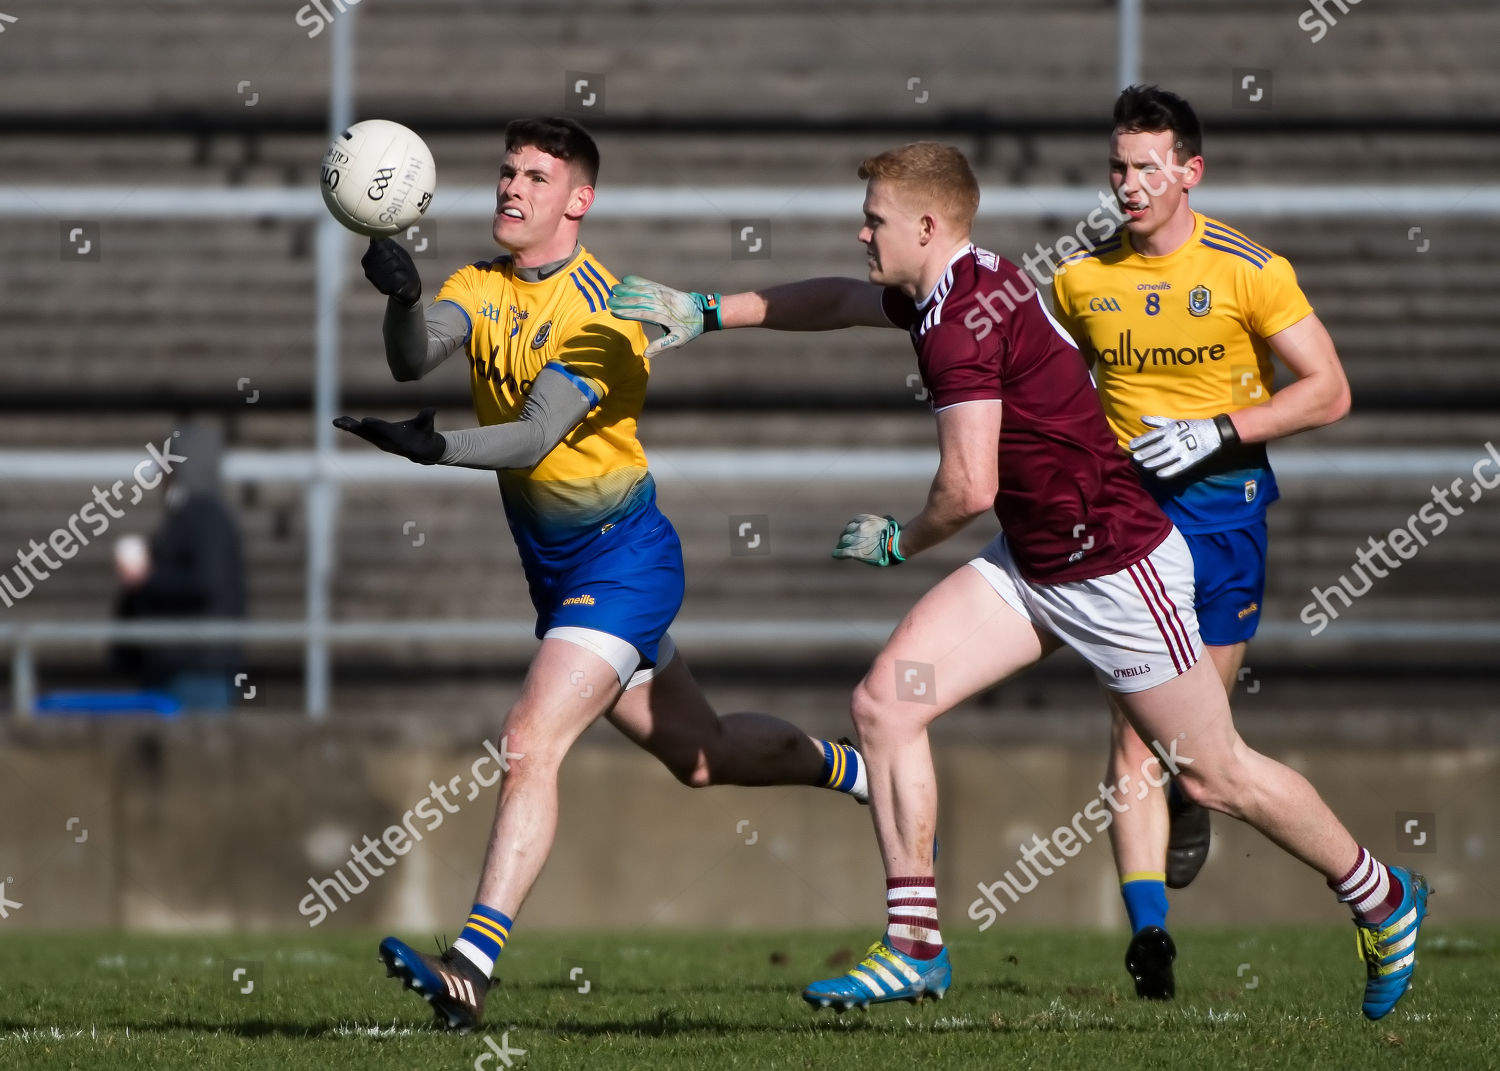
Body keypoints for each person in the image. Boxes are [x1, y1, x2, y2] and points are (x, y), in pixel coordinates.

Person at [606, 141, 1425, 1021]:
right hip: (1034, 563)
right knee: (885, 704)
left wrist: (898, 541)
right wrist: (708, 310)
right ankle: (915, 945)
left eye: (875, 219)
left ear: (928, 225)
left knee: (1215, 776)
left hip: (1116, 569)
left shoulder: (960, 321)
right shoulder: (955, 282)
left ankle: (1383, 896)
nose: (861, 232)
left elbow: (968, 487)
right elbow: (840, 300)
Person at [334, 116, 868, 1033]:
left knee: (529, 741)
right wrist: (404, 298)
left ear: (579, 200)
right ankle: (856, 767)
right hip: (560, 575)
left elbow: (534, 435)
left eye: (536, 177)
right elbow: (411, 356)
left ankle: (470, 966)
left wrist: (435, 448)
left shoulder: (609, 310)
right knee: (703, 756)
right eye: (507, 171)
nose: (512, 187)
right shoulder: (479, 283)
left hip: (625, 561)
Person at [1048, 84, 1353, 999]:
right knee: (1134, 726)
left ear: (1191, 172)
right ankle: (1150, 935)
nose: (1129, 184)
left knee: (1198, 744)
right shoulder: (1080, 278)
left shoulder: (1249, 269)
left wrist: (1219, 430)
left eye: (1148, 167)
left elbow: (1329, 391)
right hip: (1130, 524)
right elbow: (1056, 396)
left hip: (1224, 520)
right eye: (1118, 167)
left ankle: (1195, 794)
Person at [113, 422, 246, 713]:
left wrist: (146, 579)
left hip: (194, 669)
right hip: (185, 665)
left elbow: (205, 581)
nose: (161, 474)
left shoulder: (204, 516)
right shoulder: (192, 516)